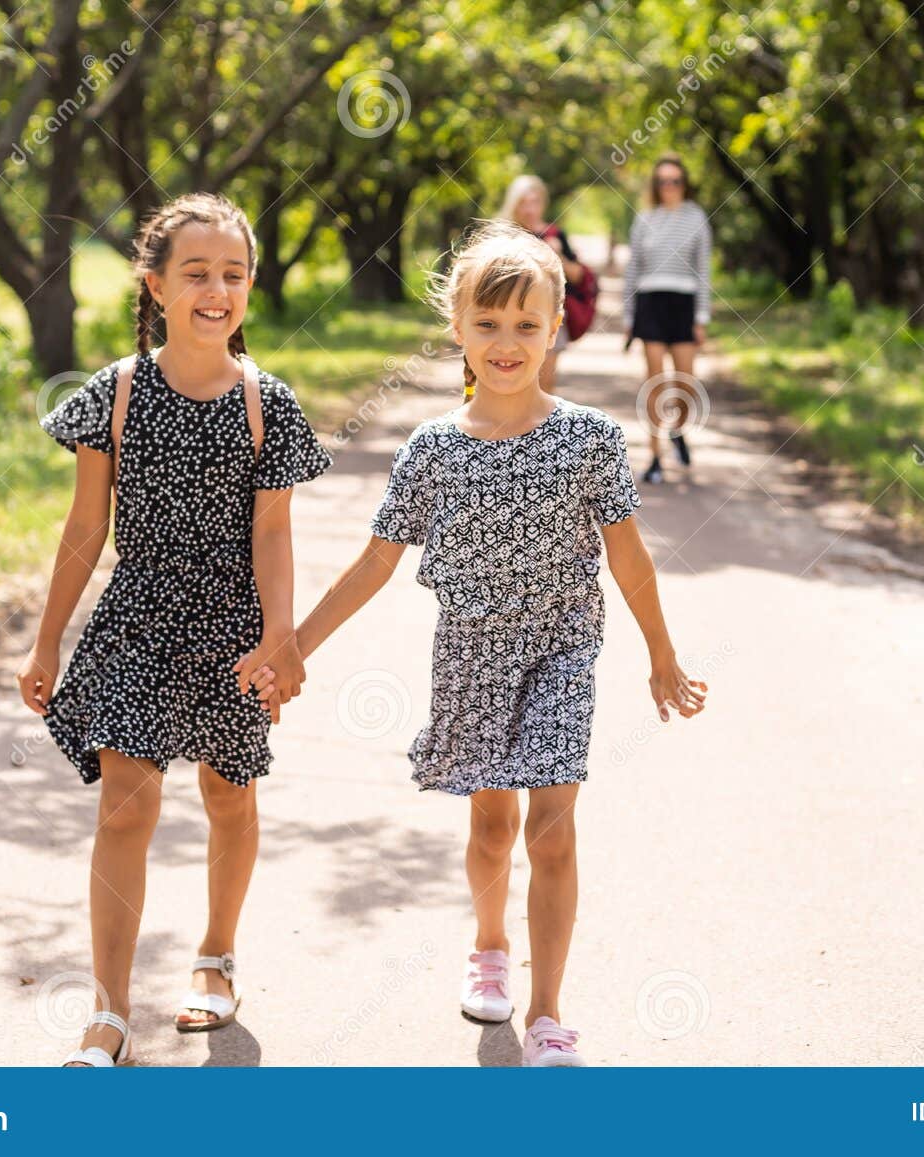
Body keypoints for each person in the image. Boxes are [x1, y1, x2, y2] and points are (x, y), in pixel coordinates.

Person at [250, 220, 708, 1066]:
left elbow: (629, 556)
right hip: (470, 655)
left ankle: (545, 1013)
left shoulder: (591, 440)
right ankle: (490, 946)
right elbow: (376, 560)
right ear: (457, 326)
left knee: (555, 828)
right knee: (493, 824)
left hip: (564, 648)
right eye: (488, 324)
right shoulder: (431, 450)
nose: (507, 343)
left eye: (527, 325)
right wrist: (296, 643)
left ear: (555, 329)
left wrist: (662, 654)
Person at [15, 192, 332, 1067]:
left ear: (250, 287)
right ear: (155, 286)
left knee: (229, 794)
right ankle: (111, 1010)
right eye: (195, 273)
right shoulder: (113, 394)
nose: (215, 290)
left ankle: (216, 953)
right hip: (136, 624)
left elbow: (273, 533)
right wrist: (46, 641)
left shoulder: (268, 403)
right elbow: (85, 530)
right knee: (129, 803)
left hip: (232, 630)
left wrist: (280, 639)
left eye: (232, 274)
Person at [622, 155, 712, 484]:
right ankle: (656, 456)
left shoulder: (697, 218)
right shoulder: (644, 219)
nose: (669, 187)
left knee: (686, 383)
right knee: (655, 383)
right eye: (663, 182)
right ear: (655, 186)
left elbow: (703, 270)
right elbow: (633, 270)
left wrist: (701, 317)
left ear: (684, 184)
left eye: (675, 181)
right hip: (650, 303)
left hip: (684, 304)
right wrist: (629, 315)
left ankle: (677, 431)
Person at [500, 174, 586, 394]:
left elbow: (577, 275)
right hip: (507, 317)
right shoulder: (503, 236)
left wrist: (558, 255)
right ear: (514, 204)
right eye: (523, 202)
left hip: (547, 317)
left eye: (534, 202)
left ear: (542, 203)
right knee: (512, 384)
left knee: (544, 383)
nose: (529, 209)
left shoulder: (555, 235)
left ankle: (541, 428)